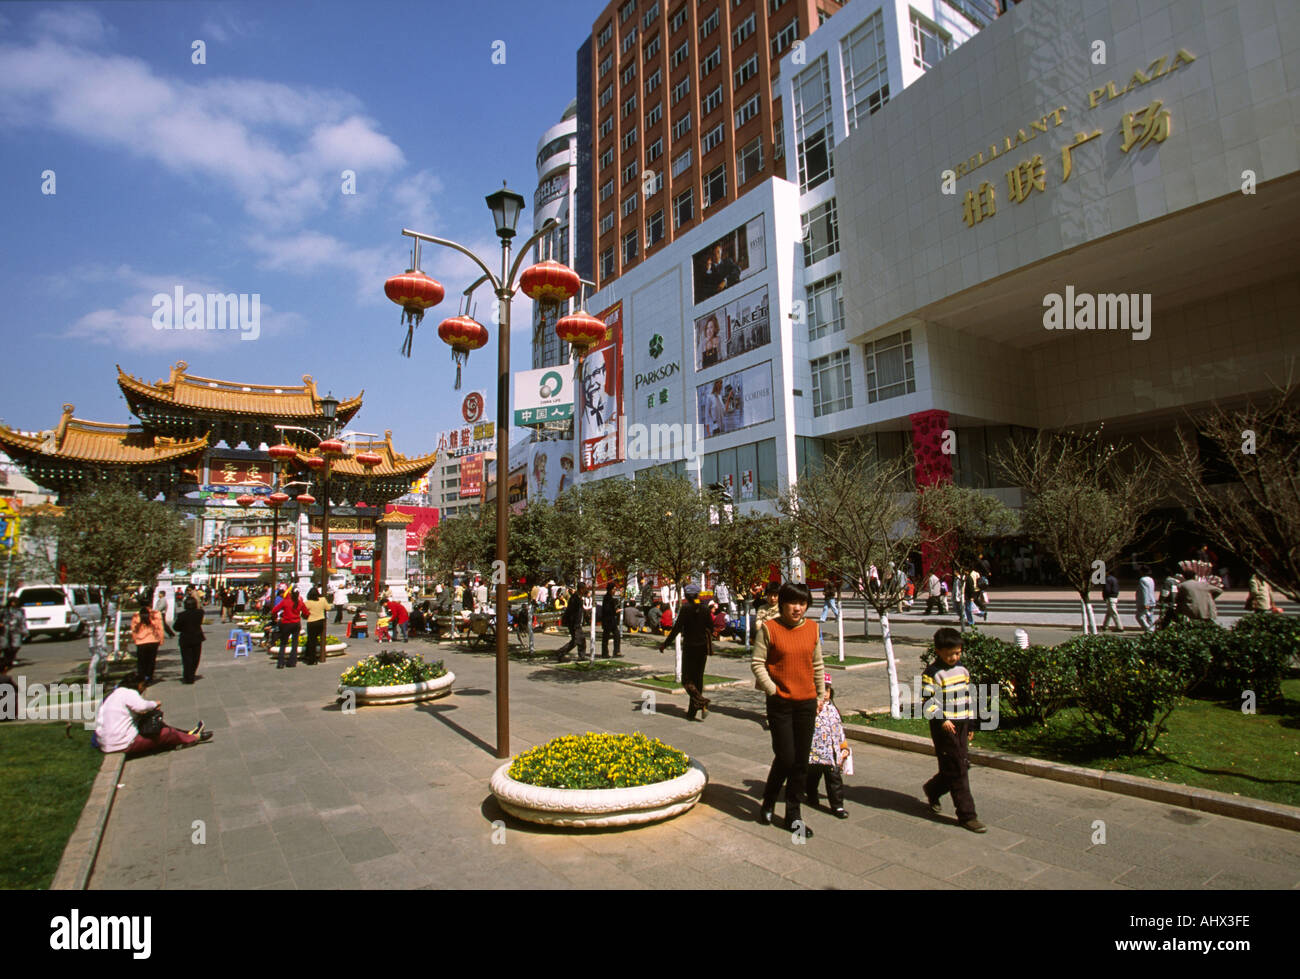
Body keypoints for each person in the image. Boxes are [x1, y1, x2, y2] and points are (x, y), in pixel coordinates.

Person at [751, 582, 827, 836]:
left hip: (806, 702)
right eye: (793, 602)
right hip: (780, 703)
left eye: (803, 603)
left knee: (800, 762)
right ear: (782, 603)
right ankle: (769, 799)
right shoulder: (769, 629)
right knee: (785, 756)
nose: (798, 608)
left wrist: (820, 694)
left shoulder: (813, 629)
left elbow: (817, 664)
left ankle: (793, 815)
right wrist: (773, 690)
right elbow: (757, 663)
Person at [922, 627, 986, 833]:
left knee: (960, 765)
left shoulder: (963, 670)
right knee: (958, 768)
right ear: (938, 651)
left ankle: (933, 788)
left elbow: (969, 697)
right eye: (950, 653)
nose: (954, 657)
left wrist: (971, 724)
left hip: (962, 723)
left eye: (957, 653)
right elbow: (928, 701)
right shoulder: (932, 674)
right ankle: (967, 815)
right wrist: (941, 719)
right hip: (944, 726)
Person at [93, 672, 210, 756]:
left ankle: (187, 733)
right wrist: (155, 703)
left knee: (156, 726)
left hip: (105, 743)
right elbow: (142, 706)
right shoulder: (129, 693)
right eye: (143, 685)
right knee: (165, 733)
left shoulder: (113, 695)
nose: (143, 689)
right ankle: (193, 737)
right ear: (138, 685)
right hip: (121, 743)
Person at [661, 584, 714, 720]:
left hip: (690, 648)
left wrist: (665, 644)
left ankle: (701, 701)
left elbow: (677, 629)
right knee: (698, 679)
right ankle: (692, 712)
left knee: (686, 680)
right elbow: (711, 627)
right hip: (702, 648)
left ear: (687, 595)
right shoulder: (705, 609)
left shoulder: (685, 609)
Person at [805, 674, 850, 819]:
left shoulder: (833, 709)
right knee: (812, 778)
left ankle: (837, 806)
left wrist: (844, 747)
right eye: (820, 689)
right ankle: (811, 796)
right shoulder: (810, 708)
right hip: (814, 753)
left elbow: (838, 730)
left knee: (834, 780)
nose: (824, 693)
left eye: (827, 689)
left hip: (832, 754)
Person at [130, 594, 165, 684]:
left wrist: (135, 640)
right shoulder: (156, 614)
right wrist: (161, 639)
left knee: (141, 662)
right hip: (153, 640)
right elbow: (160, 627)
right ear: (150, 604)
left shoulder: (136, 615)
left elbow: (133, 629)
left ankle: (142, 678)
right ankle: (149, 677)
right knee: (151, 661)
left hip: (141, 641)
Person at [172, 595, 206, 685]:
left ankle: (188, 676)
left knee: (186, 658)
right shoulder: (200, 613)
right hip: (197, 637)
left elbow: (176, 627)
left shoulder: (182, 615)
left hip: (185, 638)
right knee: (196, 658)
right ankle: (191, 674)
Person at [272, 588, 309, 668]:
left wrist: (275, 617)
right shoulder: (300, 602)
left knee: (283, 643)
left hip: (286, 623)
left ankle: (281, 662)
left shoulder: (285, 601)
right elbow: (306, 612)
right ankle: (292, 662)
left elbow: (275, 610)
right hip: (296, 624)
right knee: (294, 643)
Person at [554, 583, 589, 662]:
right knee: (578, 640)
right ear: (581, 589)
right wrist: (574, 623)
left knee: (579, 640)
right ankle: (561, 652)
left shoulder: (578, 597)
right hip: (574, 623)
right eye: (584, 589)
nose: (585, 590)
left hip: (576, 623)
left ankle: (581, 656)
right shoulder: (575, 598)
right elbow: (572, 612)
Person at [304, 587, 331, 664]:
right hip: (320, 622)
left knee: (311, 640)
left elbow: (304, 611)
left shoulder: (308, 602)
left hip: (311, 622)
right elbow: (328, 608)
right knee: (317, 639)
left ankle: (312, 659)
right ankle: (317, 657)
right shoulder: (322, 600)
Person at [2, 595, 28, 673]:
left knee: (16, 646)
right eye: (13, 602)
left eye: (16, 602)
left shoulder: (20, 611)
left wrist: (25, 631)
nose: (14, 603)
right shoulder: (4, 611)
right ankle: (7, 660)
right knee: (5, 646)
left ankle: (11, 658)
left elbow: (22, 621)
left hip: (16, 630)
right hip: (5, 630)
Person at [600, 585, 623, 658]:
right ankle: (605, 653)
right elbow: (607, 610)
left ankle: (616, 651)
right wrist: (615, 611)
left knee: (616, 635)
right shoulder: (607, 598)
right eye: (614, 589)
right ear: (610, 590)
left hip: (611, 621)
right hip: (608, 620)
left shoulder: (610, 598)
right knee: (606, 637)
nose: (615, 591)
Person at [1135, 566, 1157, 632]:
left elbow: (1145, 592)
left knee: (1140, 617)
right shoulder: (1151, 579)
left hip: (1145, 602)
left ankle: (1149, 630)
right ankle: (1152, 630)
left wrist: (1145, 604)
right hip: (1152, 601)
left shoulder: (1142, 580)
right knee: (1150, 617)